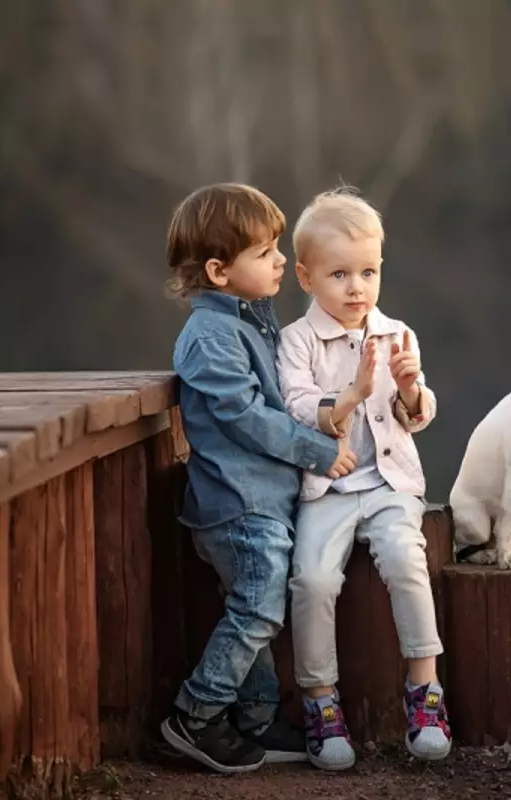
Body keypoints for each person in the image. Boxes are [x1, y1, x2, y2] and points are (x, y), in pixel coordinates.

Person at [159, 183, 357, 774]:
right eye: (266, 252)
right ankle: (196, 712)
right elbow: (245, 417)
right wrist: (317, 451)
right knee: (259, 609)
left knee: (256, 607)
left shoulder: (251, 322)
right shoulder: (210, 337)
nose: (279, 261)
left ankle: (256, 717)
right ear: (219, 270)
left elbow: (286, 395)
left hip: (262, 501)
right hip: (237, 505)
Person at [277, 187, 451, 770]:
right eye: (340, 274)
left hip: (387, 485)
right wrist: (349, 395)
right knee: (312, 581)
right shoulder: (296, 342)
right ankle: (321, 703)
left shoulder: (397, 332)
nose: (357, 288)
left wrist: (408, 389)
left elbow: (418, 416)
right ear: (305, 277)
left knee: (408, 562)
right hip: (325, 489)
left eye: (369, 272)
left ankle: (425, 691)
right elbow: (299, 408)